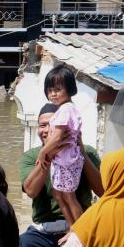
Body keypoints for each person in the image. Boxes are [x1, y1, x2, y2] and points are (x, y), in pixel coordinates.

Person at [19, 103, 103, 247]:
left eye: (51, 125)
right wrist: (46, 156)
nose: (45, 130)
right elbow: (30, 190)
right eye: (41, 125)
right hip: (44, 233)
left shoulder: (86, 153)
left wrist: (80, 151)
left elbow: (102, 190)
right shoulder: (32, 156)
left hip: (80, 229)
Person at [34, 65, 85, 225]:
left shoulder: (66, 109)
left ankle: (80, 230)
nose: (53, 94)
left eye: (57, 89)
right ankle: (73, 227)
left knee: (69, 196)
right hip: (62, 160)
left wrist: (43, 152)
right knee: (58, 195)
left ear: (69, 89)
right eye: (50, 90)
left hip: (67, 162)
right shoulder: (65, 109)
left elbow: (57, 138)